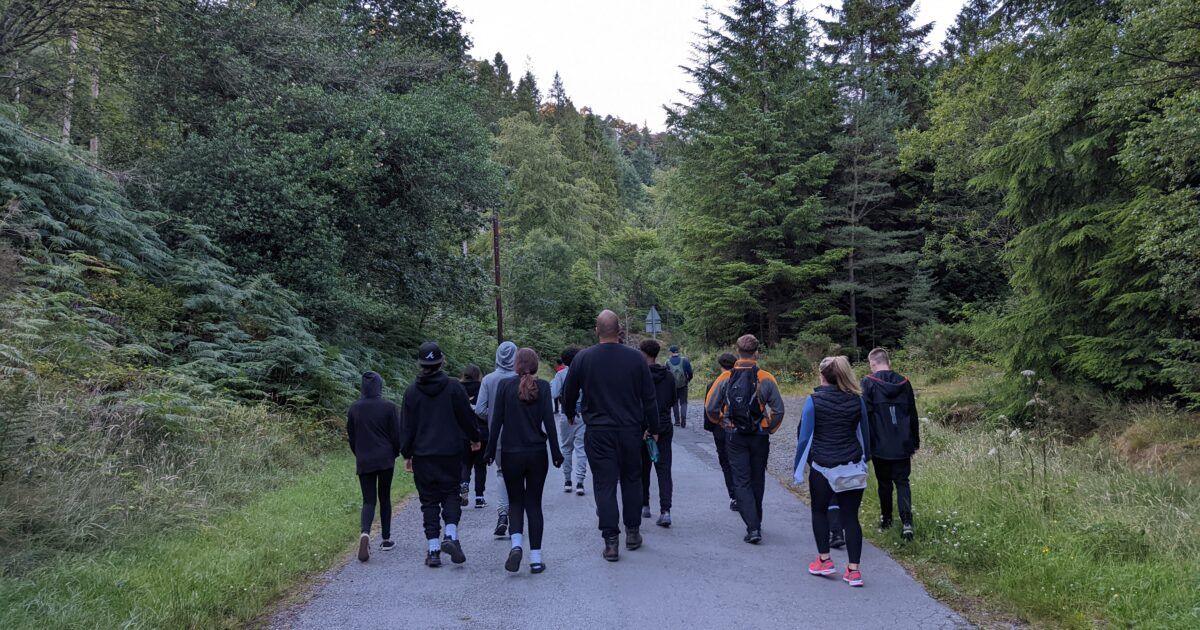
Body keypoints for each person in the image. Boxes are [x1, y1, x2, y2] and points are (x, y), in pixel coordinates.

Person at [562, 310, 658, 562]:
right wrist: (653, 427)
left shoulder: (583, 358)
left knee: (604, 484)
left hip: (598, 431)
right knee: (631, 480)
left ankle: (611, 541)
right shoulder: (636, 359)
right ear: (620, 331)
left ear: (597, 330)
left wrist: (570, 413)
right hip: (630, 430)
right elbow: (649, 397)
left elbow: (568, 391)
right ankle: (633, 532)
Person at [400, 342, 482, 568]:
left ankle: (433, 550)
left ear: (420, 364)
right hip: (450, 452)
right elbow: (466, 416)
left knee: (428, 501)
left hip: (423, 455)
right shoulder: (454, 388)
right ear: (441, 362)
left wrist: (407, 454)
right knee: (451, 495)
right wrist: (475, 438)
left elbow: (407, 426)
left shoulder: (411, 392)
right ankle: (451, 536)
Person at [793, 356, 871, 587]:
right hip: (851, 466)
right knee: (851, 517)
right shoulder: (858, 400)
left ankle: (824, 560)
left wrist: (800, 466)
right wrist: (864, 460)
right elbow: (864, 434)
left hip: (822, 466)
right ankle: (854, 570)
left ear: (823, 376)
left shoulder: (813, 401)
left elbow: (805, 437)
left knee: (819, 511)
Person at [485, 348, 564, 574]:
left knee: (516, 502)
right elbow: (549, 423)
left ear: (515, 365)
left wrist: (490, 451)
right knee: (534, 504)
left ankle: (517, 545)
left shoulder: (505, 387)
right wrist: (556, 453)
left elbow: (497, 422)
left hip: (511, 453)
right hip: (537, 453)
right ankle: (536, 559)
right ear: (536, 365)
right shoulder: (543, 387)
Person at [704, 334, 785, 544]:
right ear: (757, 352)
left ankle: (752, 526)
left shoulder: (725, 378)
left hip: (734, 435)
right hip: (759, 436)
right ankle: (757, 520)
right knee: (757, 477)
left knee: (741, 480)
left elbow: (710, 407)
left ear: (737, 350)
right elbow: (779, 409)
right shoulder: (766, 377)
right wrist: (769, 427)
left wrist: (722, 421)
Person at [862, 347, 919, 541]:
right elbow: (913, 413)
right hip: (903, 442)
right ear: (888, 361)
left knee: (884, 483)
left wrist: (866, 445)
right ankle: (907, 523)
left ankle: (886, 520)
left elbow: (865, 416)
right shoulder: (905, 383)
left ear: (873, 363)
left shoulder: (868, 383)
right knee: (903, 482)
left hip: (880, 443)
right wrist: (915, 441)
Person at [346, 371, 402, 563]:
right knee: (384, 496)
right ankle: (386, 539)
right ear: (379, 385)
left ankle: (365, 534)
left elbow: (352, 438)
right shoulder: (388, 407)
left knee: (368, 500)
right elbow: (396, 435)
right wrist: (395, 452)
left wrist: (359, 453)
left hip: (364, 459)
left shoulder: (354, 408)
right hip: (385, 458)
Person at [475, 341, 518, 537]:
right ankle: (517, 518)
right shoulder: (521, 378)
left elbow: (480, 409)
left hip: (497, 434)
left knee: (502, 473)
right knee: (520, 476)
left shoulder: (489, 380)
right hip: (520, 433)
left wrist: (493, 416)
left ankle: (502, 514)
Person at [639, 339, 677, 526]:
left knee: (642, 468)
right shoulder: (668, 376)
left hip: (642, 427)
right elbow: (672, 401)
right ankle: (666, 510)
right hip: (664, 425)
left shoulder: (639, 376)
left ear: (643, 354)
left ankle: (644, 505)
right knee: (663, 469)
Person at [550, 345, 587, 495]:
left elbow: (553, 394)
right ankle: (580, 482)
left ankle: (567, 481)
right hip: (583, 414)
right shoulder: (585, 373)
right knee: (581, 448)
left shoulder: (561, 374)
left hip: (566, 414)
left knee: (566, 447)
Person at [703, 353, 738, 511]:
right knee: (739, 461)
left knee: (725, 462)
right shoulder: (742, 381)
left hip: (720, 428)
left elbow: (709, 407)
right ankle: (743, 493)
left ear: (720, 366)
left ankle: (734, 496)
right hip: (739, 427)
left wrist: (712, 425)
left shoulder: (713, 384)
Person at [459, 365, 488, 509]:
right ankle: (479, 497)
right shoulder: (483, 387)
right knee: (480, 465)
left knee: (465, 463)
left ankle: (463, 484)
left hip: (462, 432)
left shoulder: (458, 388)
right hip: (482, 431)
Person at [666, 346, 693, 427]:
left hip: (673, 386)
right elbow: (690, 373)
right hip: (683, 385)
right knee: (684, 402)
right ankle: (683, 419)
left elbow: (666, 375)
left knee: (675, 403)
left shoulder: (667, 362)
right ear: (678, 352)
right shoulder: (684, 360)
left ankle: (677, 421)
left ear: (671, 352)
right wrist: (688, 380)